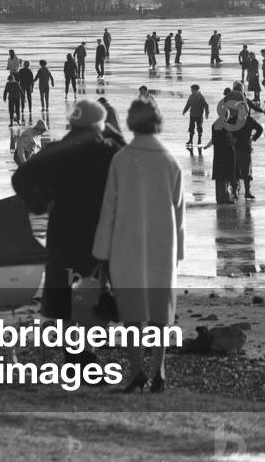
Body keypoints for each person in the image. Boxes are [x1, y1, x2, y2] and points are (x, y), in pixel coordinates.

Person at [93, 100, 185, 394]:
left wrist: (101, 253)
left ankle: (136, 371)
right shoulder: (170, 161)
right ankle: (159, 370)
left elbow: (109, 209)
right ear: (157, 122)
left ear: (131, 123)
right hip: (162, 246)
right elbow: (179, 213)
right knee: (160, 313)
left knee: (132, 314)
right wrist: (178, 253)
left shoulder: (121, 159)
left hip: (126, 246)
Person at [12, 100, 124, 335]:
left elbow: (21, 178)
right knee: (95, 296)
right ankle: (87, 350)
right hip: (98, 236)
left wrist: (39, 204)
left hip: (62, 236)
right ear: (99, 124)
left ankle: (74, 355)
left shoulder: (56, 150)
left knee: (64, 301)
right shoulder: (110, 150)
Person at [230, 108, 264, 200]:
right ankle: (234, 191)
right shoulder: (234, 120)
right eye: (240, 111)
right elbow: (227, 128)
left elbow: (260, 129)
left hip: (246, 148)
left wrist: (253, 138)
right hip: (236, 148)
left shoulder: (249, 120)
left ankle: (247, 191)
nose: (242, 113)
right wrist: (231, 138)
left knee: (246, 171)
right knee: (236, 171)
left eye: (243, 111)